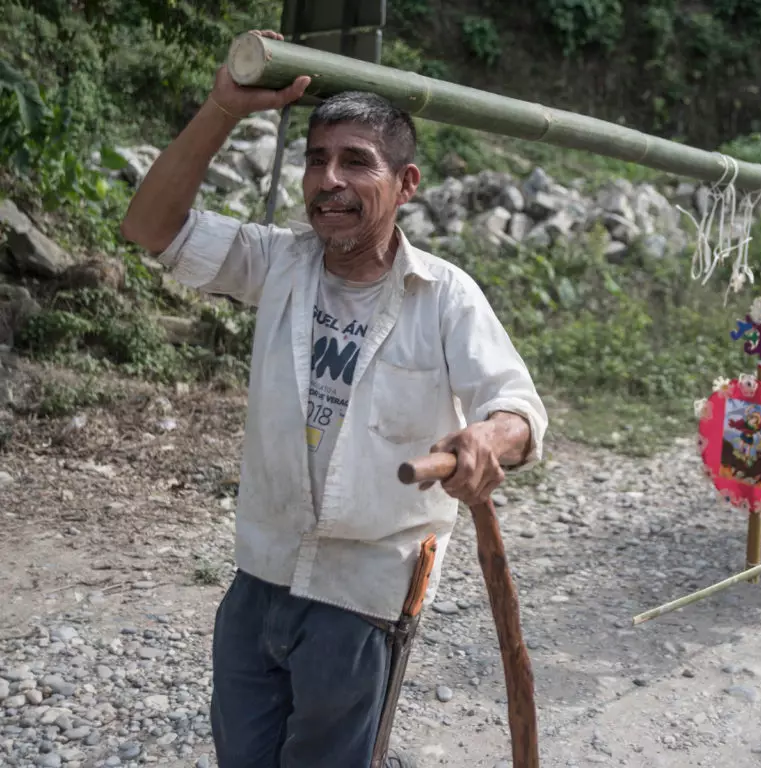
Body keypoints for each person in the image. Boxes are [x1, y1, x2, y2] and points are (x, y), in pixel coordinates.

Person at [119, 29, 548, 768]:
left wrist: (488, 438)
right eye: (317, 160)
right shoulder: (279, 263)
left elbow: (516, 408)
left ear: (406, 184)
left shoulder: (442, 296)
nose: (328, 180)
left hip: (365, 597)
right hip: (261, 574)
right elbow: (149, 226)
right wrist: (224, 105)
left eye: (357, 162)